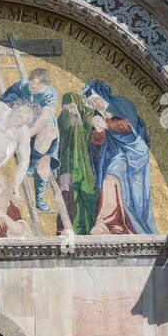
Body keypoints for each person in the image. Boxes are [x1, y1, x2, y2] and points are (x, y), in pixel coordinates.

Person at [82, 80, 156, 234]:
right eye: (92, 102)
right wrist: (98, 132)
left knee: (125, 189)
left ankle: (123, 225)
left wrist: (106, 125)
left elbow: (130, 126)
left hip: (135, 154)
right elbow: (97, 144)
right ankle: (109, 224)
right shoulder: (98, 115)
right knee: (109, 180)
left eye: (96, 99)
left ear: (103, 95)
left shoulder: (122, 104)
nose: (96, 104)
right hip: (116, 155)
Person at [0, 69, 60, 212]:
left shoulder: (50, 94)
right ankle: (30, 163)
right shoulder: (22, 85)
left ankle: (39, 197)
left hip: (40, 128)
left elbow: (43, 118)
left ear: (44, 85)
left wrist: (27, 135)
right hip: (22, 121)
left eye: (36, 86)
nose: (32, 88)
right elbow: (3, 101)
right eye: (31, 84)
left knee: (44, 163)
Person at [57, 91, 99, 235]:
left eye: (72, 106)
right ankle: (64, 227)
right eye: (66, 107)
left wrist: (78, 116)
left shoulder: (87, 117)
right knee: (66, 191)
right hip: (66, 165)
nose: (69, 110)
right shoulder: (62, 120)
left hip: (86, 166)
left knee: (87, 193)